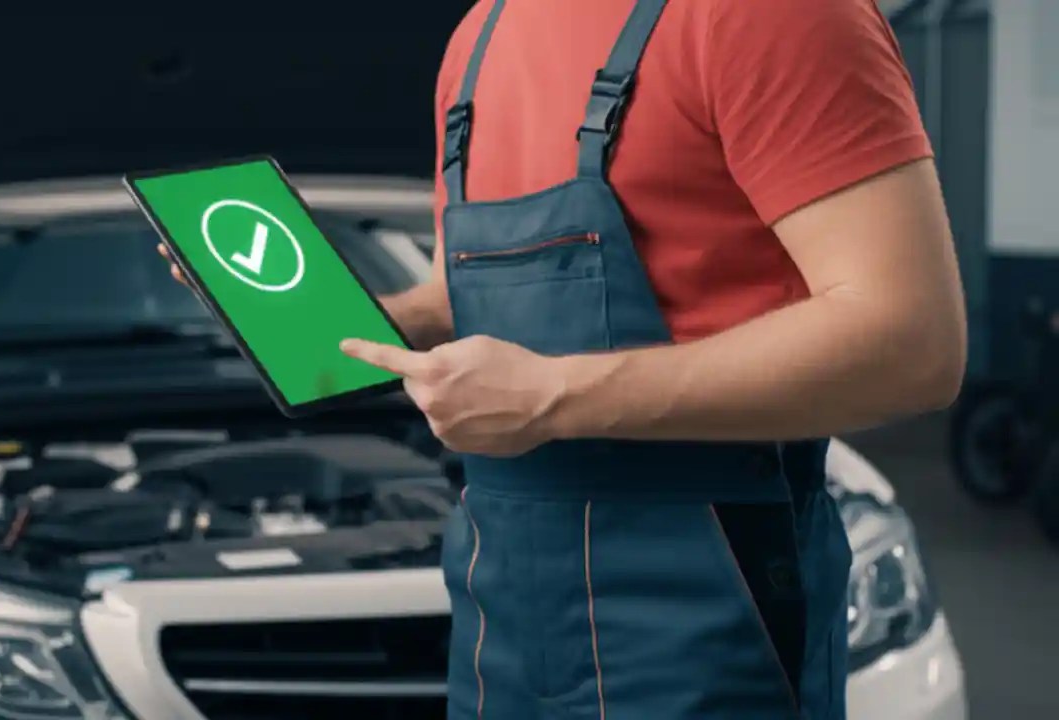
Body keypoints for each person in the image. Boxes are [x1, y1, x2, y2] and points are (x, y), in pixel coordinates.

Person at [162, 0, 966, 716]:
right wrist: (313, 317)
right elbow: (459, 292)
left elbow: (912, 342)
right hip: (498, 606)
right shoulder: (481, 37)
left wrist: (552, 397)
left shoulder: (771, 15)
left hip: (707, 603)